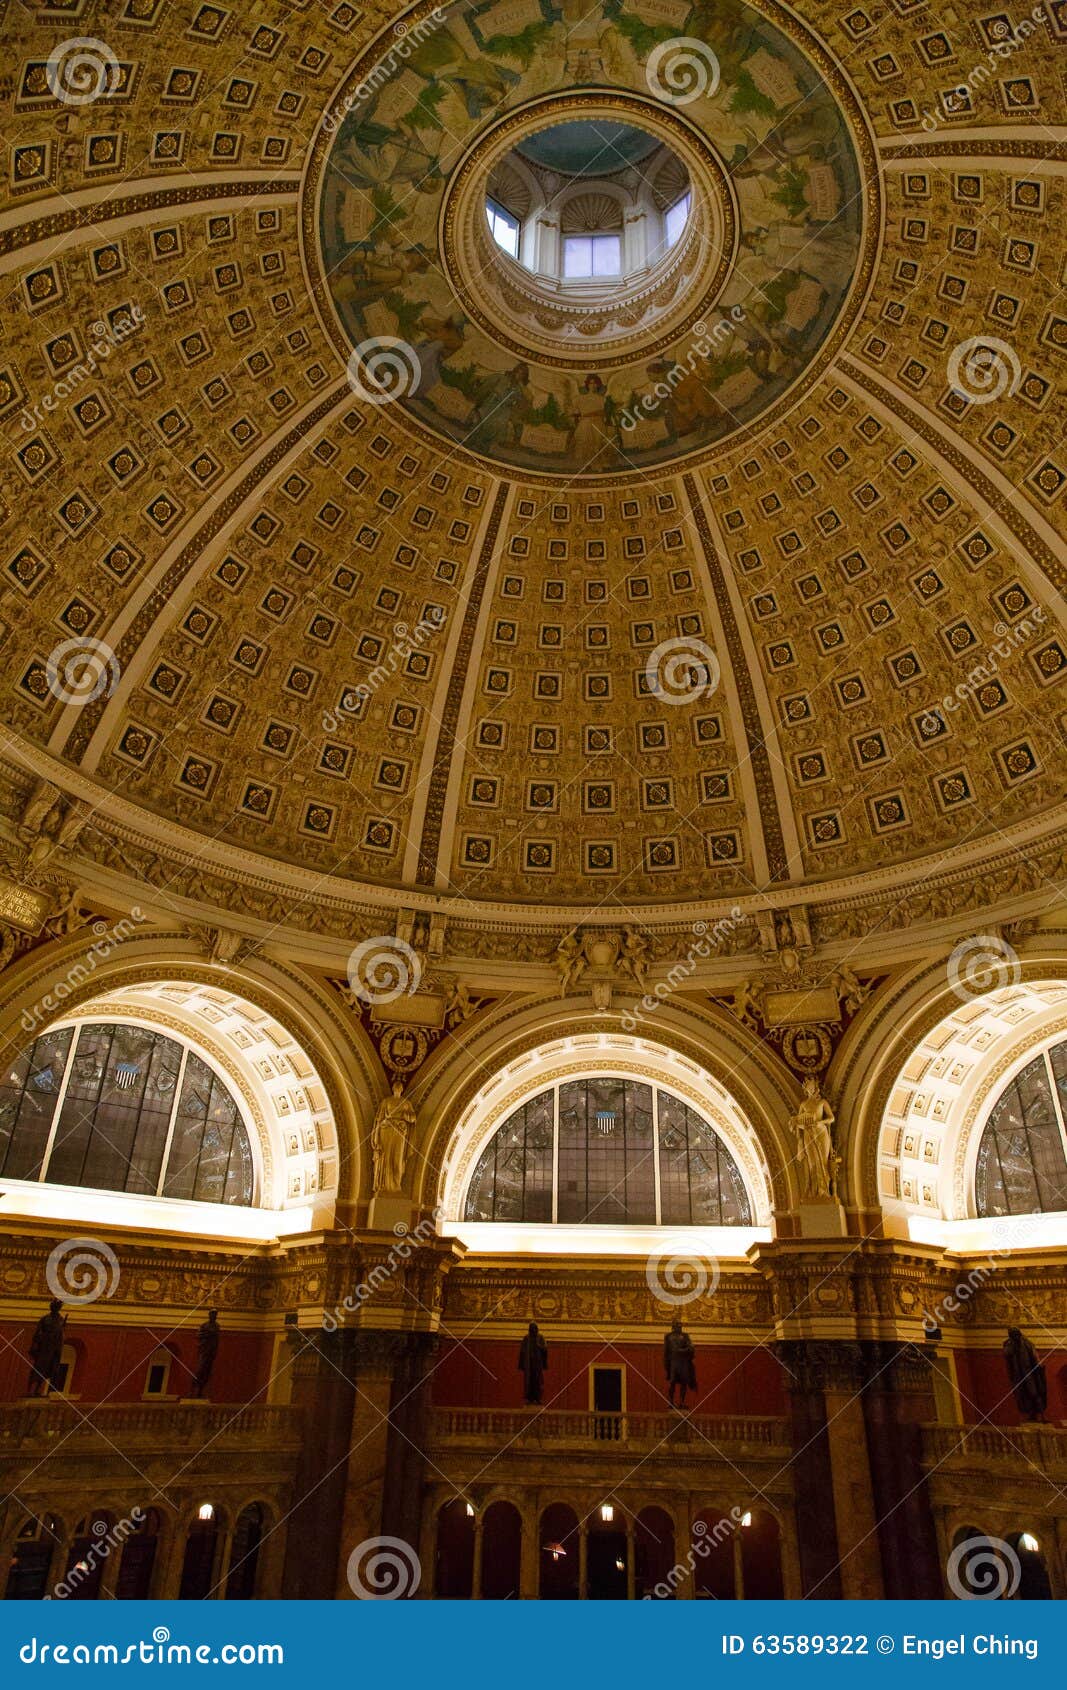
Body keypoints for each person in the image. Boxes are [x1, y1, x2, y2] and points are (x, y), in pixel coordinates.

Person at [1003, 1326, 1047, 1420]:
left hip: (1030, 1373)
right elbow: (1007, 1355)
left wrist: (1039, 1367)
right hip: (1018, 1374)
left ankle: (1042, 1415)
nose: (1015, 1337)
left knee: (1035, 1393)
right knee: (1022, 1395)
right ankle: (1030, 1415)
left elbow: (1035, 1356)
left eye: (1016, 1334)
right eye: (1012, 1335)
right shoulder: (1008, 1345)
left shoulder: (1027, 1343)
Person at [26, 1299, 65, 1397]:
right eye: (54, 1306)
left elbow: (60, 1335)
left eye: (57, 1306)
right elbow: (38, 1332)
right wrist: (36, 1344)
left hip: (53, 1347)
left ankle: (38, 1389)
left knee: (48, 1369)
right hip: (44, 1346)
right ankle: (30, 1389)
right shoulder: (45, 1318)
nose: (55, 1308)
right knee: (38, 1368)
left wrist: (58, 1348)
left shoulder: (60, 1319)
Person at [664, 1316, 697, 1409]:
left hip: (683, 1362)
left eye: (680, 1324)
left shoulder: (685, 1336)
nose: (680, 1326)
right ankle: (671, 1402)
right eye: (678, 1324)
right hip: (673, 1362)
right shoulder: (668, 1336)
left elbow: (691, 1348)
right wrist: (666, 1365)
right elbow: (666, 1352)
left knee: (684, 1382)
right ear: (673, 1325)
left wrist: (681, 1351)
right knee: (672, 1382)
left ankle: (682, 1402)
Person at [191, 1311, 220, 1399]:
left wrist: (215, 1351)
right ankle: (193, 1389)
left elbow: (217, 1340)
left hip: (211, 1352)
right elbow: (198, 1335)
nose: (214, 1316)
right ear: (209, 1315)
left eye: (215, 1315)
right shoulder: (205, 1325)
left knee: (207, 1372)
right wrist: (208, 1334)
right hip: (204, 1351)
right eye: (212, 1315)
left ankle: (200, 1391)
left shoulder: (217, 1326)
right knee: (200, 1369)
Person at [518, 1322, 548, 1404]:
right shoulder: (526, 1338)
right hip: (529, 1364)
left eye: (535, 1328)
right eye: (532, 1329)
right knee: (529, 1382)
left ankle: (538, 1398)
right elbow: (522, 1351)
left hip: (538, 1364)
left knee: (538, 1381)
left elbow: (545, 1349)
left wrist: (540, 1346)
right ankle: (529, 1398)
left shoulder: (540, 1337)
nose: (534, 1330)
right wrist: (521, 1365)